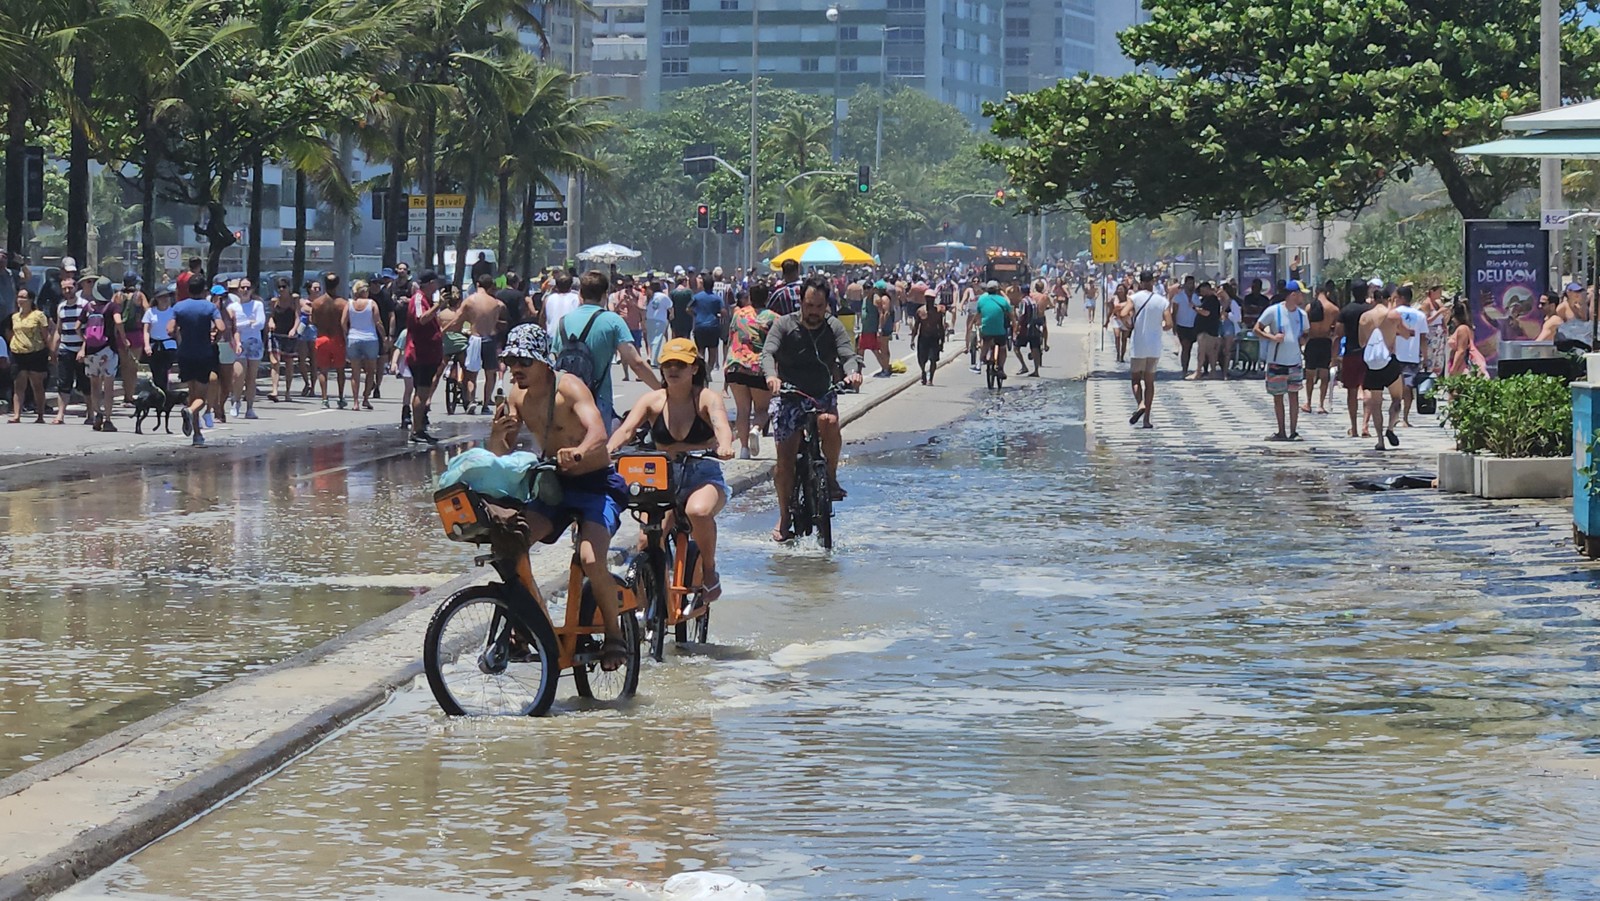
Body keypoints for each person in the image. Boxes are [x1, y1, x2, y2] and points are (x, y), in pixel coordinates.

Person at [489, 323, 632, 672]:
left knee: (591, 559)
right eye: (510, 361)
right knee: (511, 545)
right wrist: (496, 436)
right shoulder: (516, 397)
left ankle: (615, 635)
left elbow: (599, 433)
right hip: (555, 486)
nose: (516, 368)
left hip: (596, 484)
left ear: (543, 362)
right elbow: (501, 453)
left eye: (524, 360)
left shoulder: (569, 388)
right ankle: (528, 624)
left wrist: (579, 451)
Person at [609, 337, 735, 602]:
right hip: (663, 478)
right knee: (646, 540)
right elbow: (627, 430)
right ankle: (651, 603)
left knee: (698, 511)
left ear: (694, 368)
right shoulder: (652, 400)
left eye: (680, 364)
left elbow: (721, 425)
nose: (673, 369)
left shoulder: (706, 398)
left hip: (703, 475)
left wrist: (725, 445)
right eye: (667, 364)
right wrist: (607, 450)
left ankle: (709, 570)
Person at [761, 275, 864, 541]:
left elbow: (847, 354)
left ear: (826, 305)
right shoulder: (784, 325)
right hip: (789, 394)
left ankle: (830, 477)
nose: (814, 312)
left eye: (819, 306)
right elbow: (768, 353)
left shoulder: (833, 327)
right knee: (785, 462)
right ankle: (784, 516)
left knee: (830, 422)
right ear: (801, 302)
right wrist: (771, 376)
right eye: (809, 306)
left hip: (822, 393)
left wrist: (852, 373)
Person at [557, 270, 659, 426]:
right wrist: (661, 389)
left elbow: (555, 362)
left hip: (565, 403)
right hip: (598, 401)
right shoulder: (612, 320)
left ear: (580, 294)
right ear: (605, 295)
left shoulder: (563, 321)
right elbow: (636, 363)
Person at [725, 281, 777, 458]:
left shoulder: (738, 314)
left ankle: (744, 449)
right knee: (763, 409)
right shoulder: (774, 318)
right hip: (758, 367)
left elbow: (731, 339)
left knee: (742, 410)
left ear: (750, 297)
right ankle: (756, 429)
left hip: (735, 365)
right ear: (767, 297)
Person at [1253, 280, 1310, 442]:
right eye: (1301, 294)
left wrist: (1303, 340)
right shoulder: (1273, 311)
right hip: (1277, 361)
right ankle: (1281, 431)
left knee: (1294, 396)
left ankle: (1293, 431)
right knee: (1278, 396)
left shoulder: (1302, 315)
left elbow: (1306, 332)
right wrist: (1271, 337)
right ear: (1293, 295)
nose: (1303, 298)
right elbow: (1256, 329)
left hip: (1295, 361)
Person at [170, 278, 222, 447]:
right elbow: (221, 327)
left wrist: (178, 336)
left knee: (192, 392)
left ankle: (197, 433)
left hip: (185, 354)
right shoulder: (210, 307)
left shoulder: (179, 307)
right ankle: (190, 411)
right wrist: (216, 338)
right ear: (204, 290)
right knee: (201, 397)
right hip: (203, 353)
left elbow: (170, 329)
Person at [1359, 284, 1408, 452]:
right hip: (1389, 362)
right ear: (1388, 299)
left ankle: (1380, 440)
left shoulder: (1364, 317)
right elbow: (1406, 333)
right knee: (1397, 398)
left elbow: (1362, 342)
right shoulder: (1392, 315)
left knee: (1376, 405)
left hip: (1372, 365)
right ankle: (1390, 428)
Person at [1120, 271, 1170, 429]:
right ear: (1153, 282)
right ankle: (1147, 419)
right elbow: (1169, 324)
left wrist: (1129, 324)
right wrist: (1159, 327)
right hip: (1154, 346)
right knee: (1150, 382)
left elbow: (1123, 313)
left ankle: (1140, 403)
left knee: (1135, 379)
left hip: (1139, 345)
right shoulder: (1162, 301)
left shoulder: (1134, 298)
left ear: (1140, 282)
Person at [405, 271, 446, 443]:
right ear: (429, 283)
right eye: (435, 283)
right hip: (420, 353)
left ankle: (420, 427)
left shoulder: (426, 299)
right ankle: (416, 430)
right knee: (421, 392)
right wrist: (438, 306)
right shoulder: (418, 298)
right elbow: (421, 319)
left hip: (429, 353)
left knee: (423, 390)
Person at [81, 276, 125, 431]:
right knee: (108, 386)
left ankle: (97, 413)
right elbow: (118, 321)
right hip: (108, 349)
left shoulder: (89, 307)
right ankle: (107, 419)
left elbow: (77, 326)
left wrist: (85, 340)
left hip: (91, 351)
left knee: (94, 384)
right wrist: (123, 338)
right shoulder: (112, 307)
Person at [459, 274, 506, 411]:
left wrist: (444, 329)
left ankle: (472, 400)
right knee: (490, 373)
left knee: (471, 373)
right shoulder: (497, 303)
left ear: (478, 284)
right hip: (490, 338)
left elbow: (457, 319)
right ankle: (485, 404)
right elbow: (501, 321)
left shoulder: (470, 300)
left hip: (475, 338)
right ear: (491, 286)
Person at [1336, 281, 1375, 438]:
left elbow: (1339, 333)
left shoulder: (1346, 310)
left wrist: (1335, 356)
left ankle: (1354, 427)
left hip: (1351, 353)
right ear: (1366, 292)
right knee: (1368, 388)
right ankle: (1365, 425)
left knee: (1351, 391)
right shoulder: (1371, 310)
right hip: (1368, 353)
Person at [344, 279, 387, 410]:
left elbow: (343, 322)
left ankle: (355, 402)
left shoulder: (349, 304)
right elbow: (378, 322)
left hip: (353, 338)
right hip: (370, 339)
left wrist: (347, 334)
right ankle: (366, 398)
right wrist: (384, 337)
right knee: (371, 371)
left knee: (355, 372)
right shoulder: (371, 303)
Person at [51, 273, 87, 425]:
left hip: (82, 349)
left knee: (85, 383)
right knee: (63, 383)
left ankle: (91, 413)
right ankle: (60, 415)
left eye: (70, 288)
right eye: (64, 288)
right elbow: (59, 330)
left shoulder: (85, 305)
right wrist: (53, 350)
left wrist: (84, 349)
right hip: (66, 348)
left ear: (76, 287)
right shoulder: (61, 306)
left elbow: (89, 331)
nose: (67, 291)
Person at [8, 288, 48, 423]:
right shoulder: (15, 317)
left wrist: (50, 351)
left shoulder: (38, 315)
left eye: (23, 297)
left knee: (37, 385)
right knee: (18, 385)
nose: (20, 300)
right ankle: (16, 415)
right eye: (19, 297)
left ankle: (40, 414)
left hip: (35, 353)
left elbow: (45, 334)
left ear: (31, 299)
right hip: (18, 353)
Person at [1393, 285, 1430, 427]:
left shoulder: (1393, 313)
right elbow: (1423, 338)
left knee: (1395, 389)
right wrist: (1425, 357)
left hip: (1395, 355)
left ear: (1402, 298)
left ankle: (1395, 417)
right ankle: (1405, 418)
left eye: (1396, 298)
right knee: (1408, 388)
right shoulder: (1420, 315)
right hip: (1411, 356)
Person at [311, 273, 349, 409]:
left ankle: (324, 398)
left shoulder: (317, 303)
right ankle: (340, 397)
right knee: (340, 369)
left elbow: (313, 321)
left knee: (323, 370)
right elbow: (346, 322)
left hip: (322, 338)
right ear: (337, 285)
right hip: (337, 338)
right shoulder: (342, 303)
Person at [1301, 282, 1338, 413]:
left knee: (1310, 374)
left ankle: (1308, 402)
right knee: (1324, 374)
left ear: (1316, 293)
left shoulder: (1309, 307)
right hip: (1325, 342)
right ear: (1327, 293)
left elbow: (1305, 328)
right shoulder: (1333, 309)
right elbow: (1335, 330)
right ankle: (1321, 404)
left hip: (1312, 341)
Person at [231, 277, 265, 419]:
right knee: (238, 374)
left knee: (251, 377)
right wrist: (248, 322)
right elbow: (233, 326)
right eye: (242, 287)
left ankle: (250, 407)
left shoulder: (257, 305)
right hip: (239, 343)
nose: (245, 290)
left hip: (255, 343)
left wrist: (244, 324)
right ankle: (235, 400)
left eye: (248, 287)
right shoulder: (233, 307)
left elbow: (260, 324)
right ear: (238, 290)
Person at [116, 274, 147, 406]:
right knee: (133, 367)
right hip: (136, 333)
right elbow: (147, 311)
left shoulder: (117, 296)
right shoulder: (139, 296)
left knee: (124, 366)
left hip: (121, 333)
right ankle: (130, 395)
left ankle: (126, 394)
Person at [975, 280, 1014, 382]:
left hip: (986, 330)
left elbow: (978, 316)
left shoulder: (981, 300)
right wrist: (1015, 327)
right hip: (1000, 331)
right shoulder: (1003, 301)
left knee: (985, 342)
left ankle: (981, 360)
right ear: (998, 290)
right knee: (1002, 348)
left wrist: (976, 323)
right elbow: (1012, 315)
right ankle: (1001, 368)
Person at [142, 285, 177, 394]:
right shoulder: (150, 312)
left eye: (167, 296)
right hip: (155, 345)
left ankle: (164, 392)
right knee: (156, 371)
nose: (165, 299)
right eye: (162, 297)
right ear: (157, 299)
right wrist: (147, 345)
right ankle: (158, 393)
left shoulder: (173, 311)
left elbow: (177, 330)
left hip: (169, 345)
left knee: (165, 370)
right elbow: (146, 331)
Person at [913, 280, 947, 385]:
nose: (930, 301)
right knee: (921, 359)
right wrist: (912, 339)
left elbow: (941, 326)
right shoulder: (920, 311)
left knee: (933, 359)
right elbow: (916, 326)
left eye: (931, 299)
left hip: (934, 337)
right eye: (928, 298)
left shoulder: (938, 311)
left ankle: (930, 379)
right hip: (923, 337)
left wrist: (942, 341)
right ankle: (923, 372)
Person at [689, 273, 726, 371]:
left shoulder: (697, 297)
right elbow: (723, 312)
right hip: (713, 326)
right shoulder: (717, 298)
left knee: (700, 351)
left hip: (700, 326)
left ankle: (701, 371)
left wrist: (695, 314)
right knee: (712, 351)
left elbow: (688, 308)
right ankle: (708, 371)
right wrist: (718, 315)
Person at [1169, 274, 1200, 376]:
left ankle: (1198, 368)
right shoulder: (1178, 297)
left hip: (1194, 325)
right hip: (1182, 325)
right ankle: (1184, 369)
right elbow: (1174, 312)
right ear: (1185, 284)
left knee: (1191, 347)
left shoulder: (1196, 297)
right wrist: (1174, 325)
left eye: (1192, 283)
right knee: (1186, 347)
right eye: (1189, 283)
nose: (1191, 286)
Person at [1015, 280, 1047, 377]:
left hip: (1025, 329)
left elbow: (1021, 316)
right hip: (1034, 327)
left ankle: (1024, 366)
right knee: (1035, 349)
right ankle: (1036, 370)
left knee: (1016, 348)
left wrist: (1017, 328)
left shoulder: (1023, 302)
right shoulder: (1033, 301)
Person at [862, 282, 893, 377]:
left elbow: (885, 313)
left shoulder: (883, 298)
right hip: (873, 328)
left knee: (882, 349)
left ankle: (885, 369)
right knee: (877, 349)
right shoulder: (874, 298)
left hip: (882, 327)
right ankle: (885, 368)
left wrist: (880, 328)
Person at [1446, 298, 1483, 376]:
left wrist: (1453, 369)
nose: (1452, 319)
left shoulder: (1462, 329)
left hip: (1461, 366)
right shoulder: (1467, 328)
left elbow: (1461, 351)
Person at [541, 270, 581, 336]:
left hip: (552, 336)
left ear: (556, 285)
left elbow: (542, 318)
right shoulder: (577, 298)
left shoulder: (548, 299)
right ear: (571, 285)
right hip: (571, 337)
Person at [644, 279, 672, 363]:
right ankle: (654, 360)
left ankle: (652, 357)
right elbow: (670, 306)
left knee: (651, 339)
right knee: (658, 340)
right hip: (660, 320)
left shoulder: (649, 296)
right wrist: (671, 315)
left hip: (649, 319)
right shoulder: (663, 296)